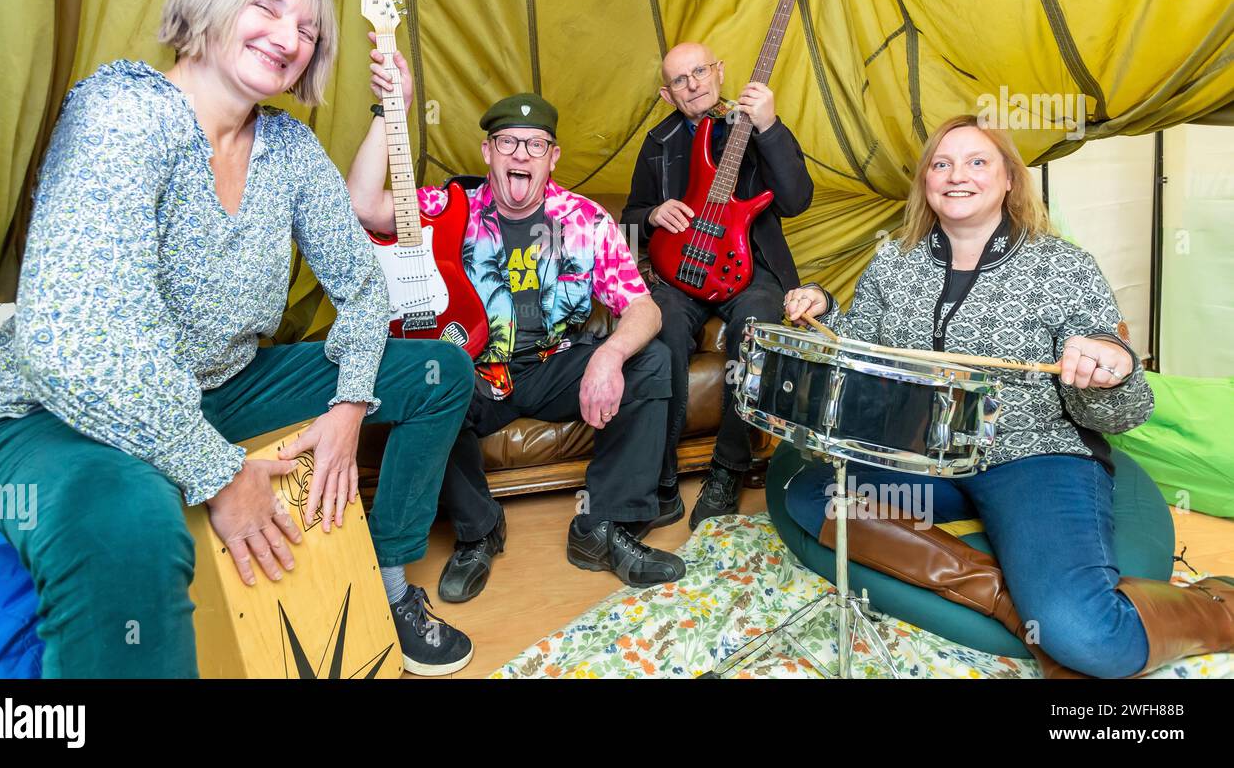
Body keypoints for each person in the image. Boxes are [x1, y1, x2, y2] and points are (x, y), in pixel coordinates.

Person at [0, 0, 477, 678]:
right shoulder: (123, 114)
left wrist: (351, 403)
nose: (290, 38)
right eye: (268, 8)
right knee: (128, 529)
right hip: (60, 413)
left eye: (309, 30)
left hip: (218, 387)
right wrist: (217, 473)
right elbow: (73, 344)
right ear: (210, 2)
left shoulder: (290, 151)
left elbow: (364, 287)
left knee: (439, 373)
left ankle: (393, 585)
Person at [782, 113, 1234, 678]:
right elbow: (863, 354)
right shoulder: (893, 262)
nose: (957, 175)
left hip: (1031, 458)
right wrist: (823, 310)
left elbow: (1127, 412)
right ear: (926, 181)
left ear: (1008, 181)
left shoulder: (1062, 266)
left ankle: (1218, 606)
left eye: (977, 162)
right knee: (813, 494)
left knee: (1094, 641)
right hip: (923, 457)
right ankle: (1010, 604)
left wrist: (1113, 372)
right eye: (942, 164)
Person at [349, 44, 685, 603]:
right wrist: (392, 111)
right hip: (476, 371)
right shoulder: (449, 207)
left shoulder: (586, 221)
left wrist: (607, 355)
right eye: (508, 142)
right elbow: (363, 205)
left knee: (651, 358)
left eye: (535, 144)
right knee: (427, 377)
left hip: (556, 365)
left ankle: (603, 529)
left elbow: (643, 307)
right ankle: (480, 532)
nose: (520, 153)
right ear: (489, 152)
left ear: (552, 157)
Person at [621, 42, 813, 530]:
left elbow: (795, 200)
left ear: (719, 71)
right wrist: (651, 215)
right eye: (680, 81)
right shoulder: (659, 141)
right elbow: (627, 220)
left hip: (751, 267)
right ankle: (658, 472)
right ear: (668, 94)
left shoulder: (758, 124)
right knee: (657, 332)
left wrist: (769, 127)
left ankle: (728, 468)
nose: (694, 84)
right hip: (680, 269)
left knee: (756, 328)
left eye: (701, 71)